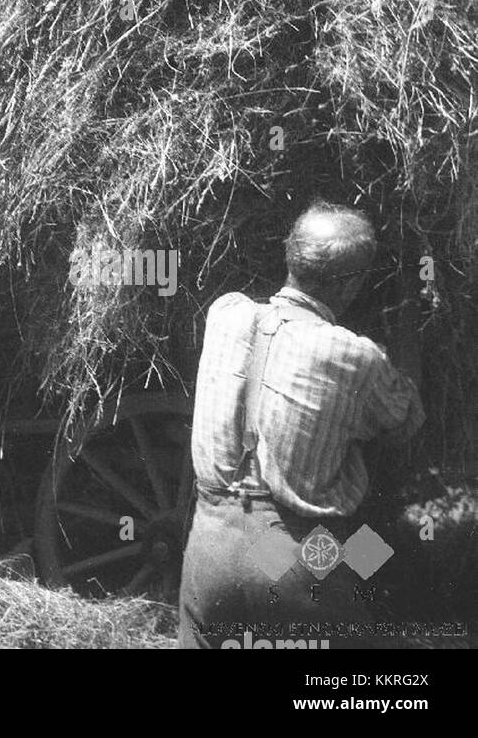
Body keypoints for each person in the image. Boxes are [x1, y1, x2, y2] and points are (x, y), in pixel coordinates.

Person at [179, 200, 424, 649]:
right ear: (352, 285)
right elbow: (404, 420)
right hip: (290, 551)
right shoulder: (352, 356)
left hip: (208, 551)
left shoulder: (225, 314)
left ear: (290, 256)